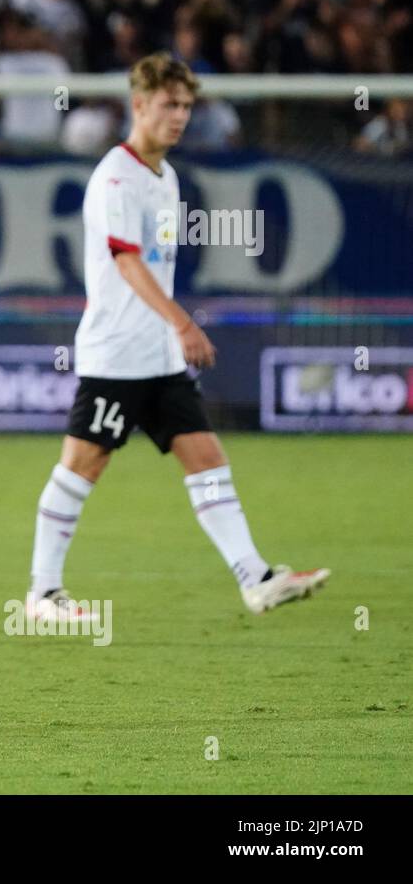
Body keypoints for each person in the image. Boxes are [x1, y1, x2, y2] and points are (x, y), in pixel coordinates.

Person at [25, 53, 329, 620]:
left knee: (206, 457)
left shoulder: (166, 177)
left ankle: (255, 577)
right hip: (117, 355)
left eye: (188, 106)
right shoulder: (117, 176)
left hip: (158, 357)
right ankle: (42, 593)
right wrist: (182, 322)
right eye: (170, 104)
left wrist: (171, 332)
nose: (181, 116)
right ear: (139, 105)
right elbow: (126, 262)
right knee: (83, 464)